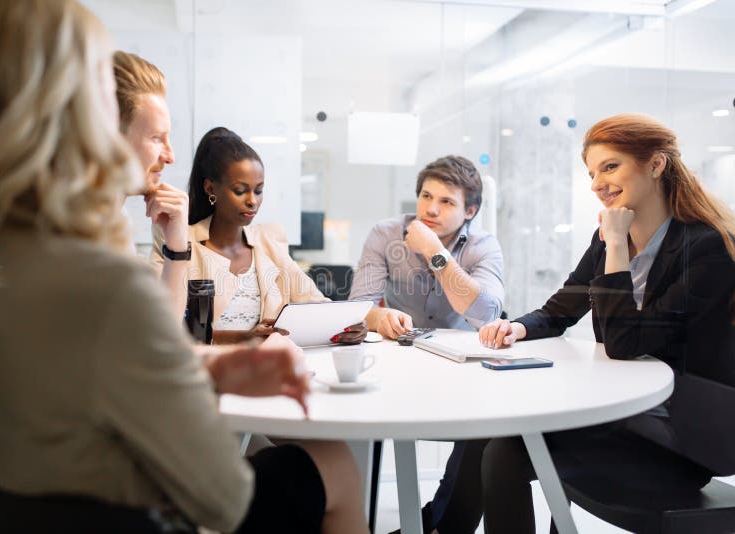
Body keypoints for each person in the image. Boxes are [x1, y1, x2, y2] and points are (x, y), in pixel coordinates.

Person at [0, 2, 368, 533]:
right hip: (140, 512)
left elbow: (86, 372)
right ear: (76, 119)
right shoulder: (103, 285)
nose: (167, 155)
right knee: (337, 468)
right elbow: (222, 497)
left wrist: (205, 368)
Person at [435, 113, 735, 534]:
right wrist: (517, 327)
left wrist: (615, 244)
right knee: (493, 432)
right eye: (592, 172)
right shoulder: (612, 236)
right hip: (627, 418)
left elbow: (624, 342)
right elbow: (563, 308)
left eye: (610, 167)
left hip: (681, 439)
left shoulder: (707, 247)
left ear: (656, 164)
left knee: (506, 449)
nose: (596, 183)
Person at [349, 155, 505, 533]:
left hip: (459, 369)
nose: (430, 208)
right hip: (398, 362)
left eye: (447, 201)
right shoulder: (386, 235)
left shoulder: (484, 246)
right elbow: (357, 308)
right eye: (425, 196)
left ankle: (441, 525)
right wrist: (377, 317)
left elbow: (487, 312)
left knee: (489, 422)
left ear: (470, 210)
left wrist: (436, 251)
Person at [151, 126, 368, 344]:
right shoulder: (178, 242)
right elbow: (160, 326)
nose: (252, 200)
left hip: (266, 369)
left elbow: (316, 303)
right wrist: (242, 338)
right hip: (203, 370)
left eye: (258, 190)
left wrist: (348, 324)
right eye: (240, 190)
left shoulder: (269, 241)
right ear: (210, 189)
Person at [113, 50, 188, 321]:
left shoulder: (115, 221)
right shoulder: (76, 235)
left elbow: (161, 332)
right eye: (157, 138)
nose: (170, 156)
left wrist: (177, 246)